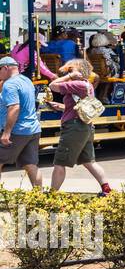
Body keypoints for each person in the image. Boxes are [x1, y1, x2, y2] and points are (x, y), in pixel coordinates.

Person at [47, 59, 111, 196]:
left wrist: (70, 76)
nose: (69, 73)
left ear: (79, 71)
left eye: (71, 70)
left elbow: (52, 85)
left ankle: (51, 195)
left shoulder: (77, 83)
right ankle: (106, 189)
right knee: (89, 161)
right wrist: (63, 107)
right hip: (85, 126)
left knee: (59, 163)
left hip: (74, 127)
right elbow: (81, 107)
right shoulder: (88, 85)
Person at [0, 56, 43, 190]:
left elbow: (14, 107)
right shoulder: (26, 80)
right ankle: (39, 197)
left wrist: (7, 133)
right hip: (33, 129)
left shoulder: (10, 84)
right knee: (30, 164)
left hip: (17, 131)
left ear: (6, 67)